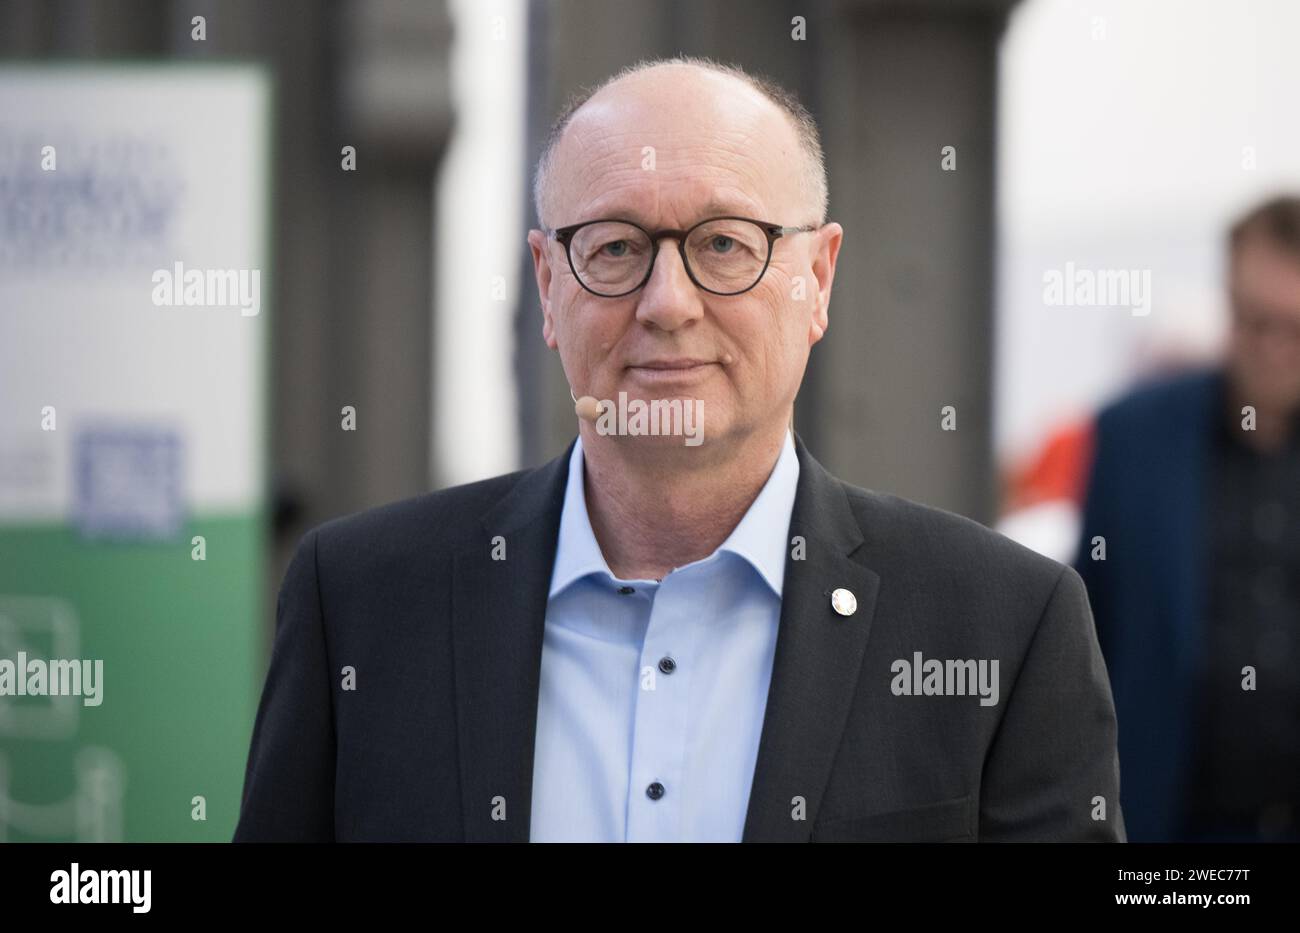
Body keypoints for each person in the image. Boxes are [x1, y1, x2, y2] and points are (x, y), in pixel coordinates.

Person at [234, 56, 1123, 843]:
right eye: (616, 247)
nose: (667, 302)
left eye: (724, 244)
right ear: (548, 285)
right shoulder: (360, 601)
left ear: (817, 280)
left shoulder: (1003, 627)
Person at [1076, 196, 1300, 842]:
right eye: (1257, 322)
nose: (1275, 349)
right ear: (1227, 301)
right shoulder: (1133, 440)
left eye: (1294, 327)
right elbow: (1084, 627)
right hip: (1172, 830)